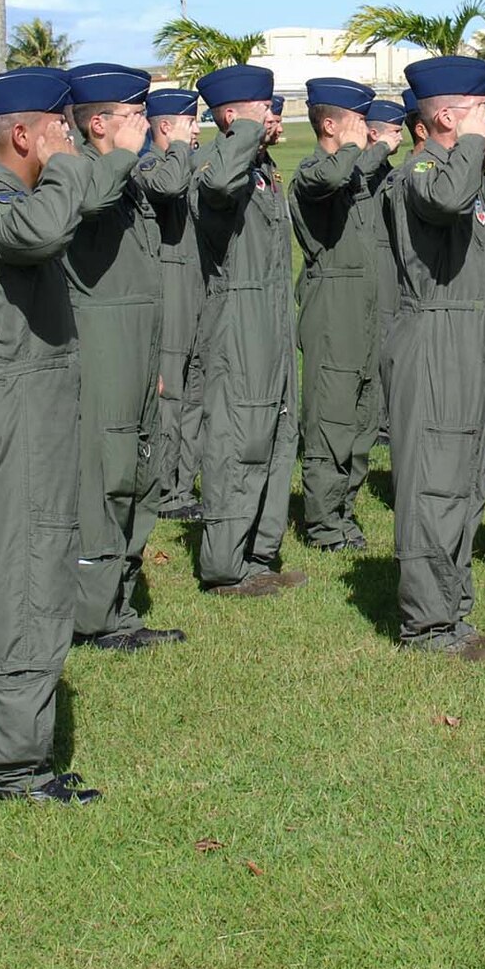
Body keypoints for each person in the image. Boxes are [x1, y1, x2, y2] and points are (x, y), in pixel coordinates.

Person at [0, 67, 122, 805]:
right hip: (11, 406)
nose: (68, 139)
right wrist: (70, 166)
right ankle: (11, 769)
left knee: (33, 569)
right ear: (22, 134)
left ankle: (19, 750)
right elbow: (48, 228)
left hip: (23, 403)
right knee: (20, 580)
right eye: (56, 129)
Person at [387, 56, 485, 654]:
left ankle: (452, 611)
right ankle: (426, 624)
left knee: (464, 482)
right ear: (447, 118)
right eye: (483, 113)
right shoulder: (422, 173)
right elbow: (449, 201)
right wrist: (471, 147)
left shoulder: (465, 175)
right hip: (435, 341)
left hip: (470, 342)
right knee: (434, 483)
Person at [62, 62, 180, 650]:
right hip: (101, 342)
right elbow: (84, 208)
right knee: (104, 479)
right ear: (101, 124)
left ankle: (122, 605)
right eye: (135, 115)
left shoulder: (126, 176)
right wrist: (121, 157)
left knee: (141, 472)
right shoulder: (79, 171)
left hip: (139, 341)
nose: (145, 123)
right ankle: (93, 616)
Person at [192, 64, 303, 596]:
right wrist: (244, 134)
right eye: (263, 111)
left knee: (277, 431)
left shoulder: (260, 169)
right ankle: (223, 565)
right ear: (234, 117)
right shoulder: (218, 164)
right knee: (240, 437)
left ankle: (259, 550)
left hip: (270, 315)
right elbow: (216, 186)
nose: (273, 118)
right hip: (237, 317)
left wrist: (255, 142)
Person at [291, 78, 388, 552]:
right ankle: (324, 523)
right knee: (331, 416)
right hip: (332, 305)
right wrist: (354, 148)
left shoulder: (352, 169)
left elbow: (360, 169)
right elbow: (331, 178)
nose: (365, 132)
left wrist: (377, 147)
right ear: (330, 125)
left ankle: (344, 510)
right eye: (357, 122)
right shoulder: (312, 171)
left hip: (364, 307)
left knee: (363, 413)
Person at [142, 89, 206, 521]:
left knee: (195, 387)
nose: (197, 130)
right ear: (166, 126)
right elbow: (169, 185)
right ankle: (164, 488)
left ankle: (185, 483)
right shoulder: (149, 163)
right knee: (171, 392)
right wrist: (179, 147)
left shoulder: (184, 161)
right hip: (169, 283)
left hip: (195, 281)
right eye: (189, 123)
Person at [364, 98, 407, 443]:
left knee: (390, 337)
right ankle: (378, 425)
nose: (399, 140)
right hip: (370, 262)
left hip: (388, 261)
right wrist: (379, 148)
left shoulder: (385, 169)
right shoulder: (364, 163)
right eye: (394, 132)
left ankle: (387, 418)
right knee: (378, 340)